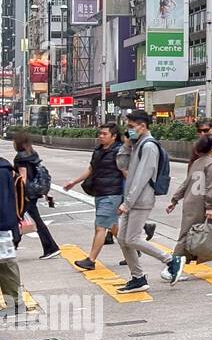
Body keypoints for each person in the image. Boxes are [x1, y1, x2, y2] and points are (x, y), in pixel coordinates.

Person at [115, 110, 179, 291]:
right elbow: (121, 165)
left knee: (132, 239)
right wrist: (126, 146)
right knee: (122, 239)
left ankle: (170, 260)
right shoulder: (137, 144)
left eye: (131, 127)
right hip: (132, 199)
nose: (129, 131)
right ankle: (138, 277)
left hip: (141, 200)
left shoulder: (149, 146)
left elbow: (142, 178)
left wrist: (127, 203)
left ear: (142, 126)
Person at [162, 134, 212, 283]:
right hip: (203, 205)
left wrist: (175, 199)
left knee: (211, 232)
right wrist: (209, 207)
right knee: (188, 236)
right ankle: (170, 268)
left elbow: (186, 183)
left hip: (191, 202)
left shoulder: (197, 162)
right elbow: (210, 187)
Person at [63, 123, 125, 270]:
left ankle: (91, 260)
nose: (101, 136)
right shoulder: (98, 150)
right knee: (114, 226)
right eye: (100, 134)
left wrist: (128, 198)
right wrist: (74, 181)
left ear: (114, 136)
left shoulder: (119, 152)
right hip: (100, 192)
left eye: (105, 134)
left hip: (112, 194)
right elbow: (91, 168)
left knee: (100, 227)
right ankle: (132, 251)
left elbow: (126, 174)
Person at [11, 132, 59, 260]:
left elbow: (23, 178)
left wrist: (21, 194)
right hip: (33, 192)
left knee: (15, 219)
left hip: (26, 194)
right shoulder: (31, 154)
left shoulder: (20, 158)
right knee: (34, 221)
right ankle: (51, 247)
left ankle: (10, 247)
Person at [0, 146, 24, 318]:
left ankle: (15, 303)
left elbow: (3, 203)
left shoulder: (2, 171)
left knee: (6, 266)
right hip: (6, 225)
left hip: (3, 226)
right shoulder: (5, 169)